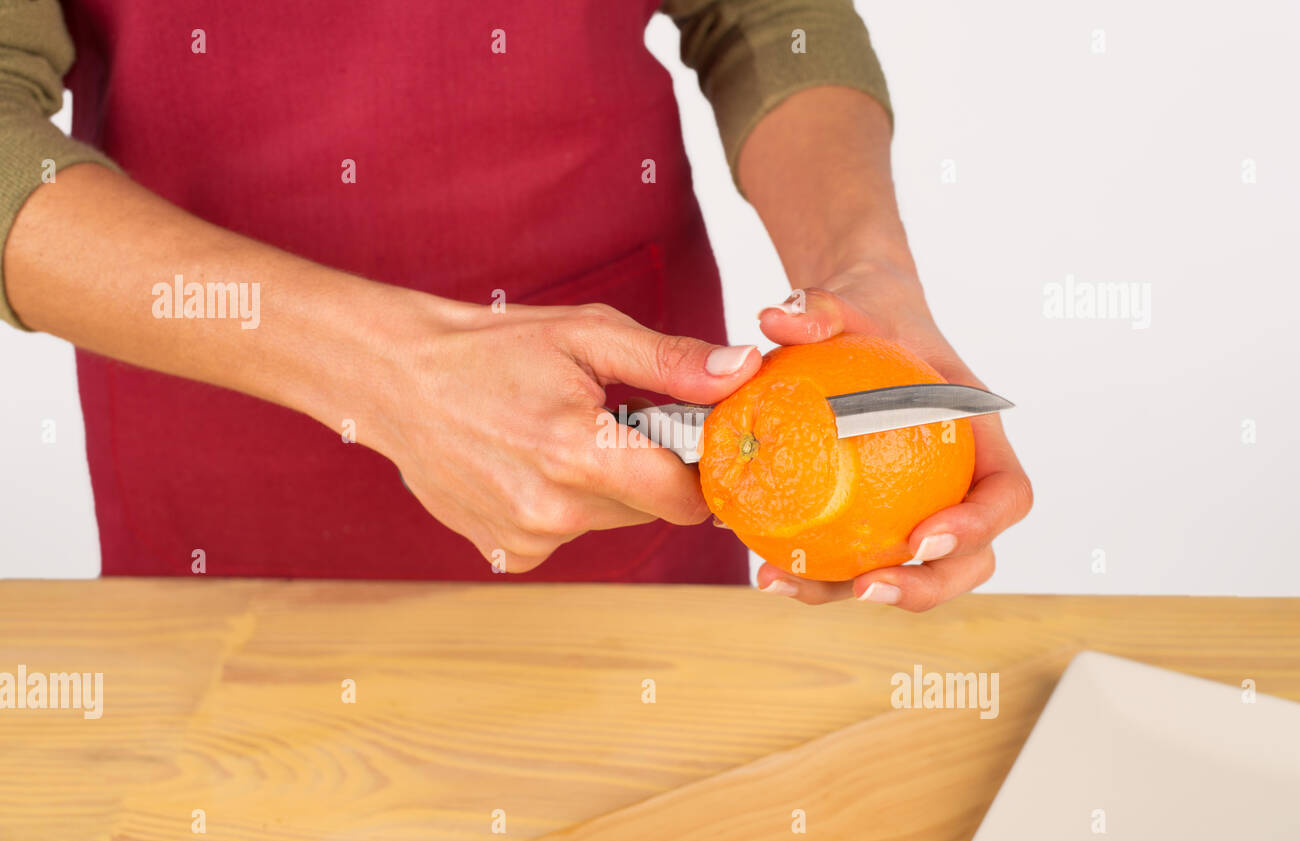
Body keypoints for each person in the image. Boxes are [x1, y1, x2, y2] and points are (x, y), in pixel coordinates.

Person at [0, 0, 1030, 610]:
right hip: (218, 480)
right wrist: (383, 369)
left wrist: (865, 275)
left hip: (626, 490)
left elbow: (771, 16)